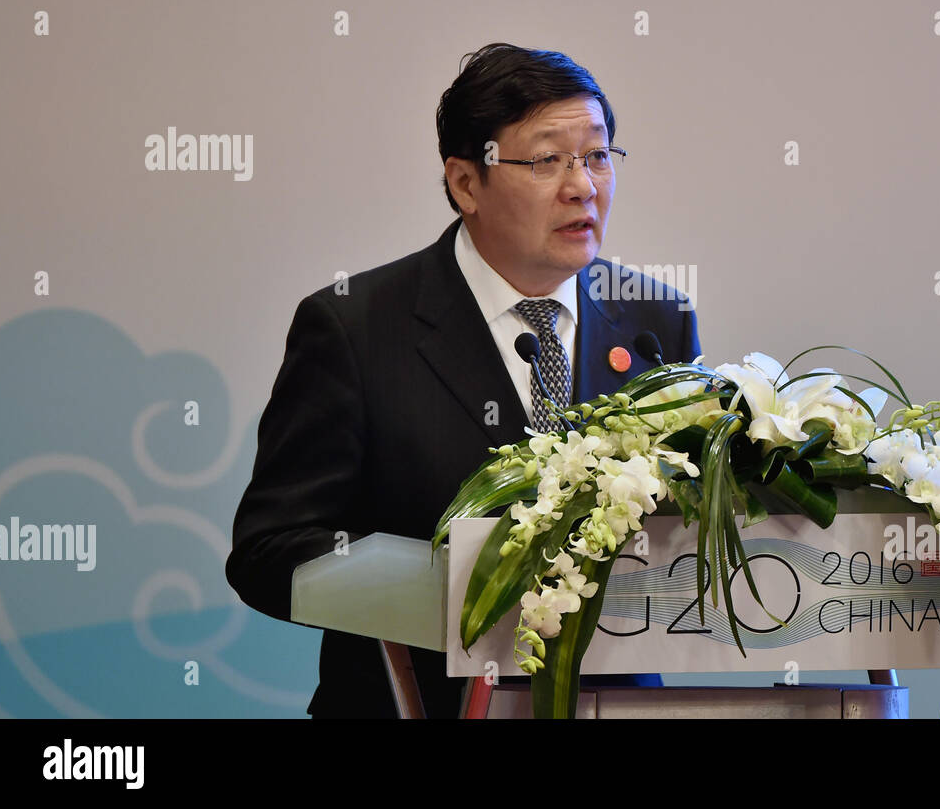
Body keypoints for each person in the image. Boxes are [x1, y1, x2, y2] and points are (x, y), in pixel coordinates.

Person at [225, 42, 701, 717]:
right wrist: (466, 592)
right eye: (546, 160)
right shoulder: (355, 329)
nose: (582, 185)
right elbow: (268, 552)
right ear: (465, 183)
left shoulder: (657, 322)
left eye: (596, 155)